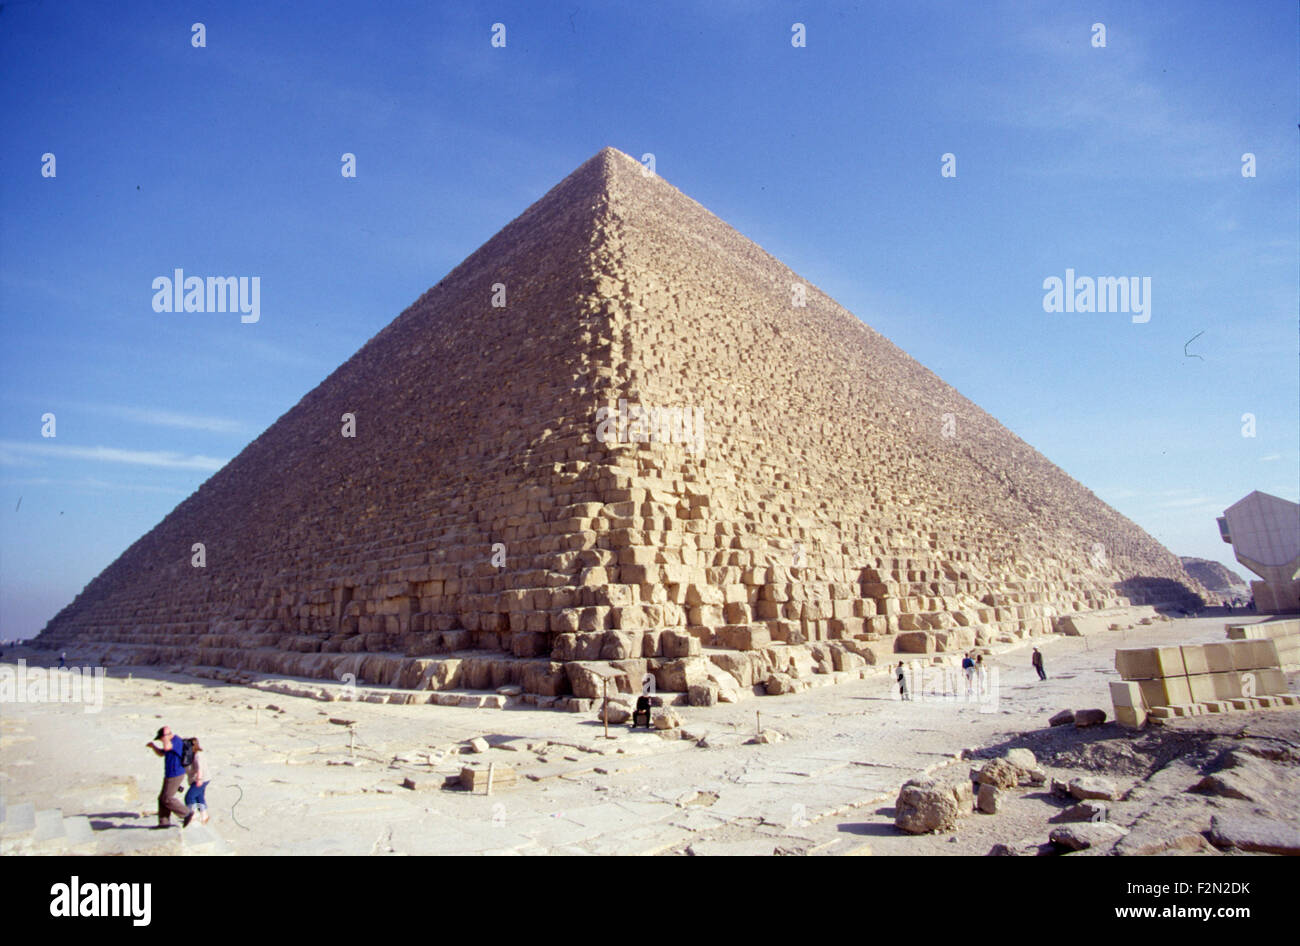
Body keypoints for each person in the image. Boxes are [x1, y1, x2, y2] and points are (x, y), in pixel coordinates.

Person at [146, 726, 193, 828]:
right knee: (162, 798)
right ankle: (164, 823)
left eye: (161, 738)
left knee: (167, 798)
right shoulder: (170, 742)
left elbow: (167, 747)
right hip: (170, 774)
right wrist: (153, 746)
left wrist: (166, 736)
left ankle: (186, 813)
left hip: (175, 774)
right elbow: (162, 753)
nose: (161, 740)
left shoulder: (175, 741)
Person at [184, 737, 210, 825]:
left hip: (201, 779)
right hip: (197, 779)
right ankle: (204, 815)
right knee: (199, 797)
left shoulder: (198, 755)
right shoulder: (191, 755)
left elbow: (200, 768)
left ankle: (193, 814)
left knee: (189, 796)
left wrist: (199, 779)